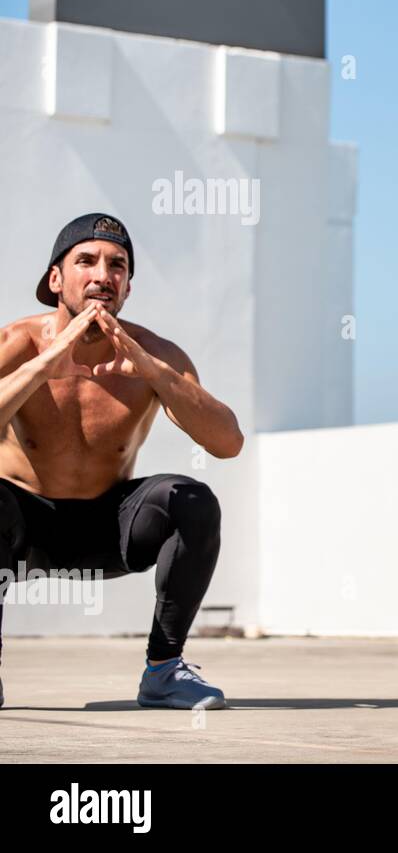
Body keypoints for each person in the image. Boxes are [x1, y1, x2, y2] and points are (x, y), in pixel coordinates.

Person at [0, 214, 244, 710]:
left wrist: (155, 373)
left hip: (104, 530)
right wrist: (45, 365)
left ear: (127, 286)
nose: (101, 275)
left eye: (117, 265)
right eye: (85, 261)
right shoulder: (16, 344)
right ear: (55, 280)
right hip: (22, 529)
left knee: (193, 500)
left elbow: (227, 442)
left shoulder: (153, 354)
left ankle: (164, 671)